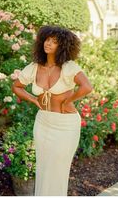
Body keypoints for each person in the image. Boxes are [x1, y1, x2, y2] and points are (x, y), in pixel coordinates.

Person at [12, 25, 93, 196]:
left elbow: (87, 87)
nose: (48, 43)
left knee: (58, 168)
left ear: (62, 46)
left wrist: (68, 100)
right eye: (47, 39)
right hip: (43, 122)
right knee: (43, 166)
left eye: (54, 41)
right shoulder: (34, 67)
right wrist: (33, 99)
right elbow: (17, 87)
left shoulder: (68, 67)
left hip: (66, 125)